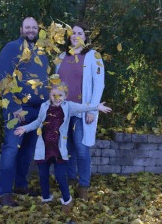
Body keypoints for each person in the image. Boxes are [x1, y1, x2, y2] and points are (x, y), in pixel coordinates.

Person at [14, 79, 112, 213]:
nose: (57, 98)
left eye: (60, 95)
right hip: (44, 149)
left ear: (65, 96)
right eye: (53, 95)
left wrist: (96, 107)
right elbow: (38, 122)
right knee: (43, 175)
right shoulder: (44, 107)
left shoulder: (68, 106)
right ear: (49, 95)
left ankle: (67, 200)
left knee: (60, 176)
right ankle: (46, 199)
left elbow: (83, 107)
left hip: (58, 150)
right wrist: (25, 128)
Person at [0, 17, 50, 208]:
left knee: (27, 150)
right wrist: (14, 106)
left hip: (38, 110)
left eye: (34, 27)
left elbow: (45, 79)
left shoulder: (41, 52)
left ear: (38, 30)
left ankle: (20, 185)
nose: (31, 30)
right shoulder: (11, 48)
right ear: (21, 30)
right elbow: (5, 79)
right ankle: (3, 194)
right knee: (11, 148)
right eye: (28, 27)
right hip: (17, 110)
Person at [55, 21, 105, 201]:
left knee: (82, 149)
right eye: (73, 33)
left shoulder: (94, 56)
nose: (75, 36)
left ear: (86, 37)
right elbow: (55, 85)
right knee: (66, 149)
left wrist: (93, 109)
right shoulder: (61, 57)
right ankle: (71, 182)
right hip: (63, 112)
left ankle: (84, 187)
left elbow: (99, 84)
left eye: (80, 33)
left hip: (83, 112)